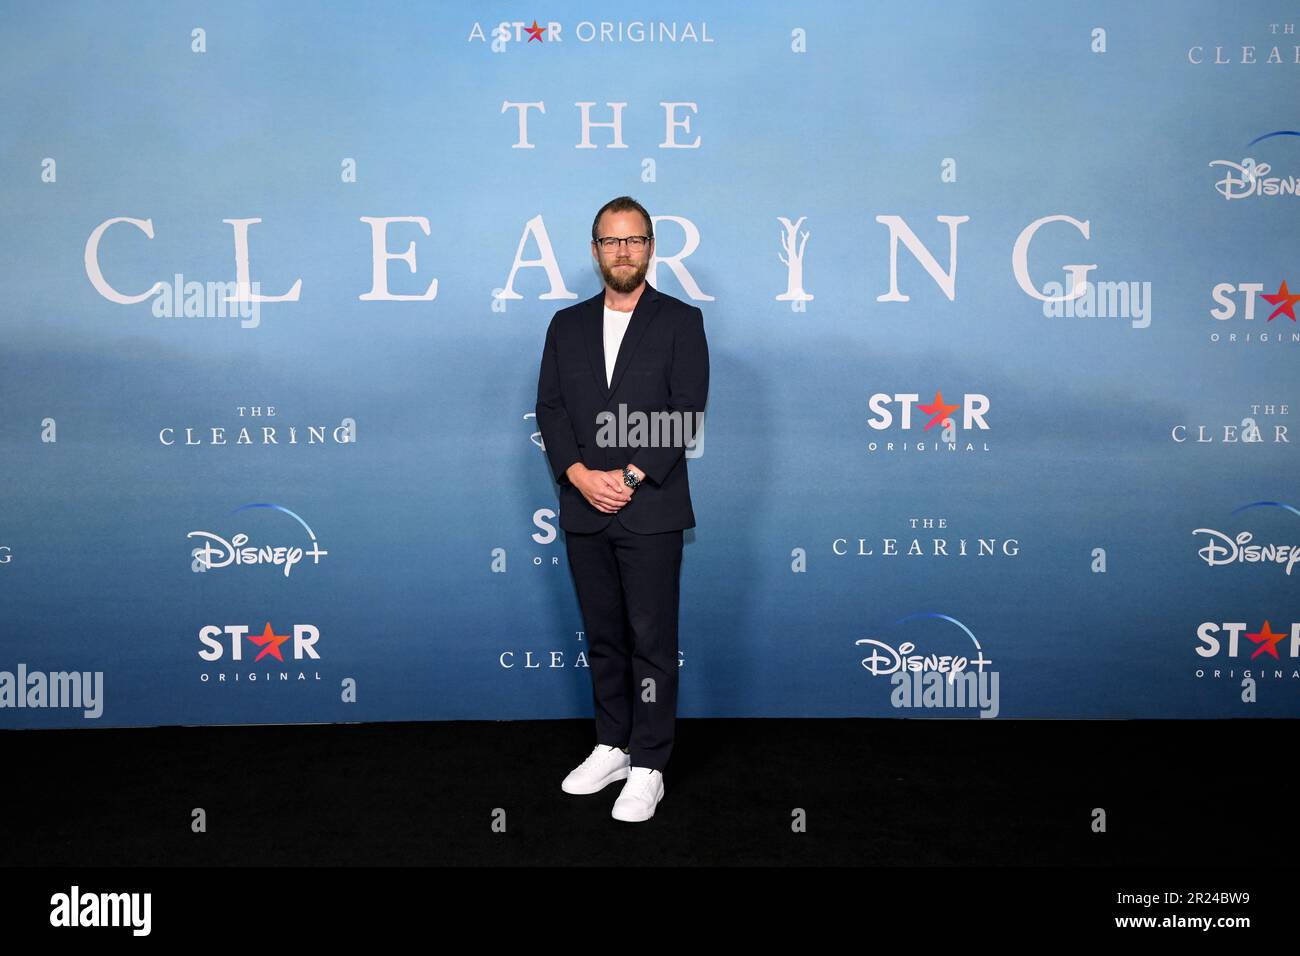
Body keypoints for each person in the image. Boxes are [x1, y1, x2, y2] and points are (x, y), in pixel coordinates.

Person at [534, 195, 709, 822]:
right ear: (595, 250)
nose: (623, 251)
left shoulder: (680, 322)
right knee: (605, 638)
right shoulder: (566, 325)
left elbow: (685, 408)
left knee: (652, 641)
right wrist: (581, 475)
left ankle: (650, 764)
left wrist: (629, 475)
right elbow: (551, 410)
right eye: (611, 241)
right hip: (585, 507)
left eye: (633, 240)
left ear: (650, 247)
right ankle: (611, 744)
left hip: (651, 508)